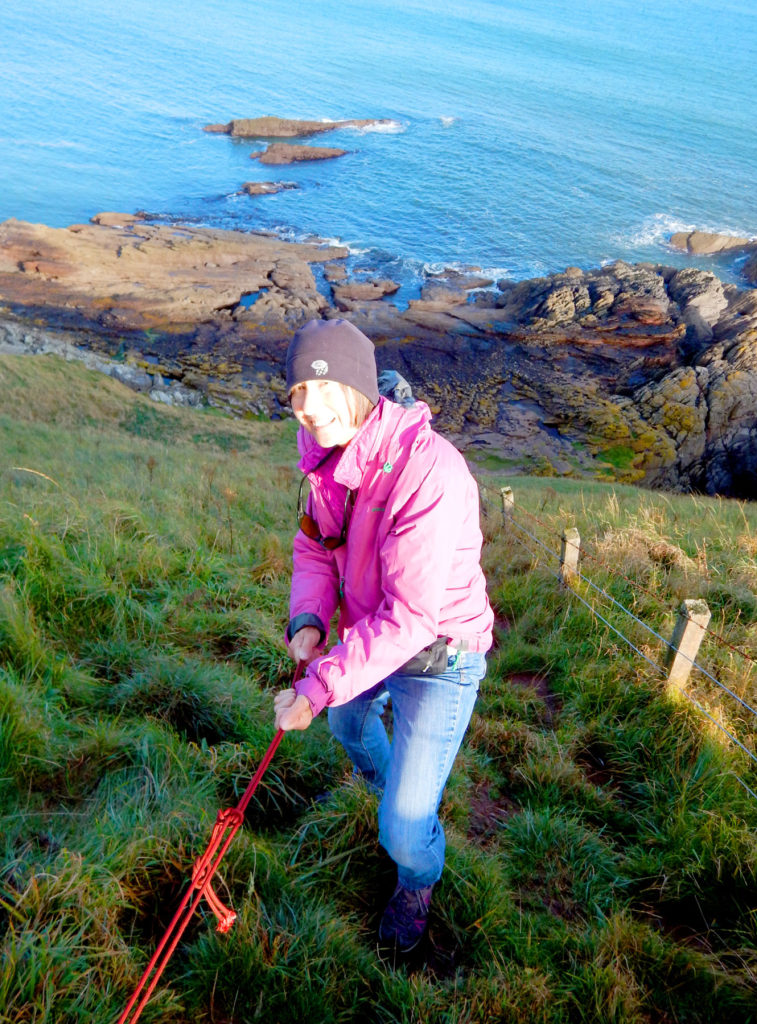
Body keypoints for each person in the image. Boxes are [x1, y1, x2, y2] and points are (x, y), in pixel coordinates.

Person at [273, 318, 494, 954]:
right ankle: (394, 790)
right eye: (296, 393)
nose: (308, 409)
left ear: (361, 389)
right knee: (348, 728)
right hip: (375, 636)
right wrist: (309, 619)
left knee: (402, 826)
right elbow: (314, 546)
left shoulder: (430, 472)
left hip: (439, 652)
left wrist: (319, 684)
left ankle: (415, 874)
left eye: (321, 388)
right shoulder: (322, 452)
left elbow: (413, 617)